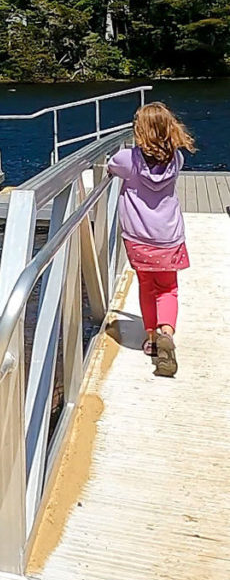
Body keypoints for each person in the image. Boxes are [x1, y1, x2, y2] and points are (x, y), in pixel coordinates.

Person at [107, 102, 196, 378]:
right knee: (169, 288)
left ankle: (151, 341)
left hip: (139, 239)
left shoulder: (127, 160)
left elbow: (111, 166)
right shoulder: (177, 160)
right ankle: (166, 331)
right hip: (169, 237)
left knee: (147, 286)